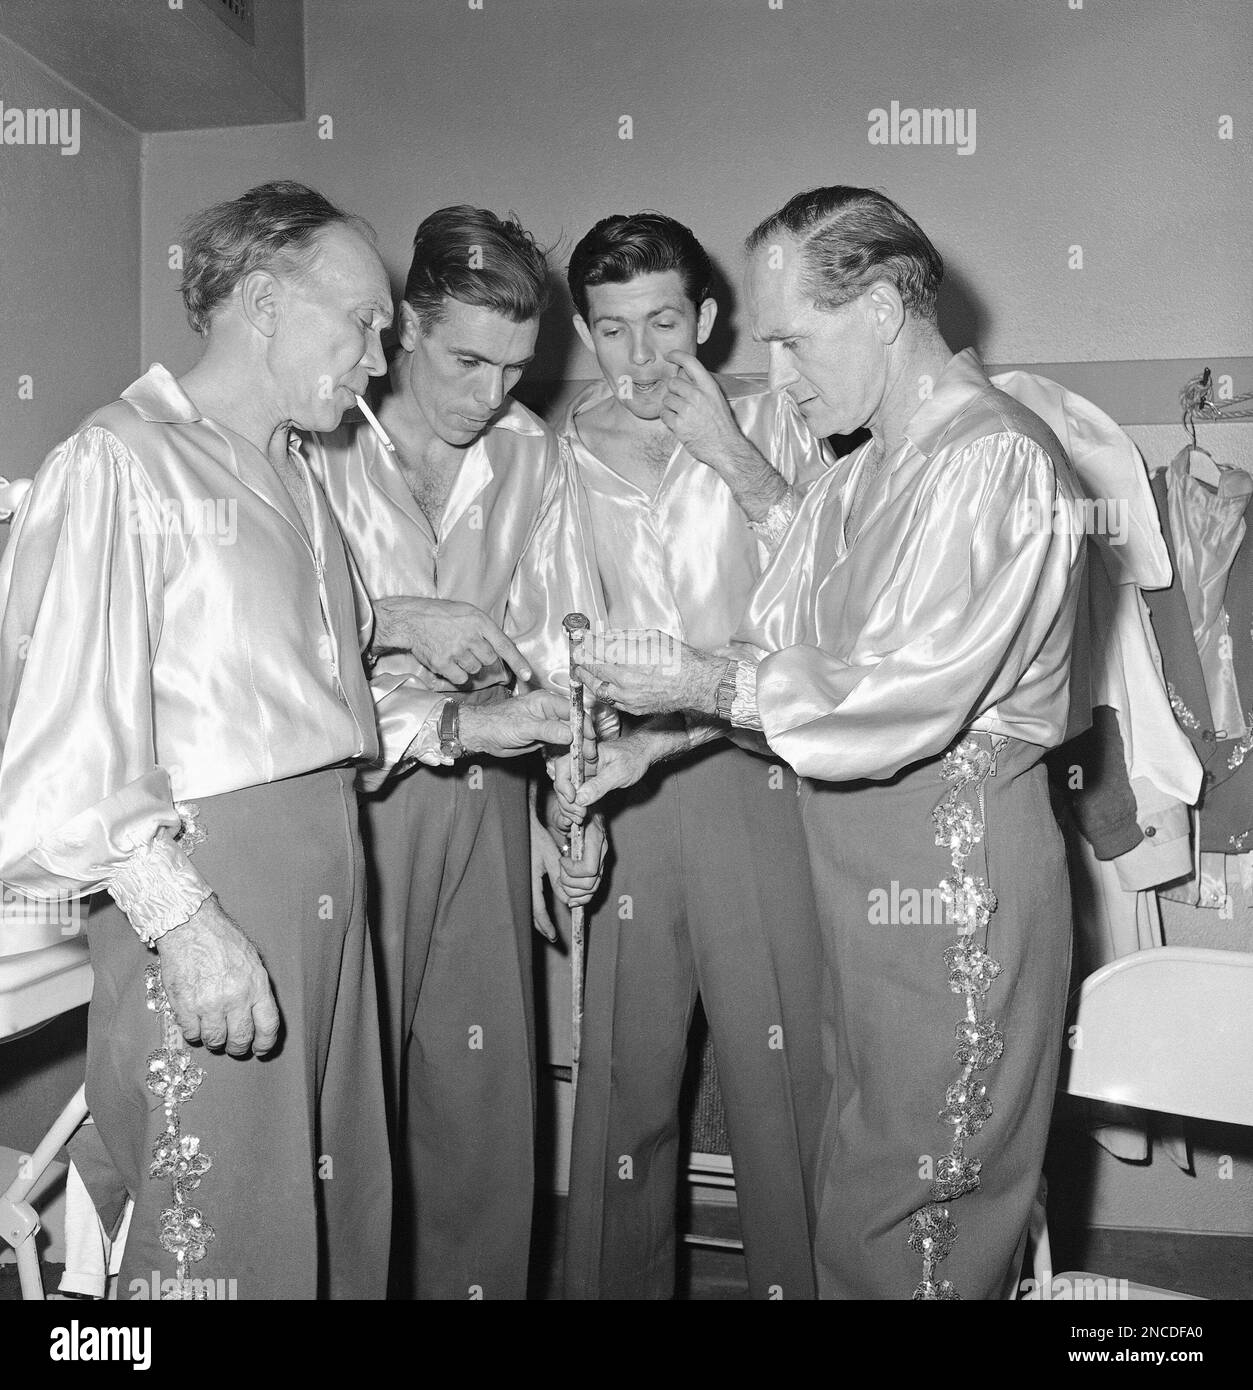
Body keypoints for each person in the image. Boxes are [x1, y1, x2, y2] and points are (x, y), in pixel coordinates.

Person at [0, 181, 574, 1300]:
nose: (376, 355)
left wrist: (472, 720)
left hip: (328, 881)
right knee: (220, 1235)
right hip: (216, 891)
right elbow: (63, 733)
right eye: (360, 322)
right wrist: (183, 919)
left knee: (335, 1216)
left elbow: (318, 695)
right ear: (262, 301)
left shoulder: (294, 476)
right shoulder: (122, 458)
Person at [575, 187, 1087, 1300]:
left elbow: (893, 691)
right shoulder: (872, 466)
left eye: (793, 340)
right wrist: (658, 740)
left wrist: (698, 682)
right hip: (859, 873)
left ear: (886, 306)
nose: (784, 375)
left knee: (917, 1206)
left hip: (950, 871)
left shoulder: (989, 458)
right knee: (863, 1175)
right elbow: (808, 597)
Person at [304, 206, 605, 1301]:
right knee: (348, 1107)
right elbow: (268, 637)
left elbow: (541, 649)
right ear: (403, 329)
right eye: (467, 359)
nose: (490, 395)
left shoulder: (531, 453)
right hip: (346, 797)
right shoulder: (317, 431)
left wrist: (536, 809)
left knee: (481, 1113)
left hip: (482, 795)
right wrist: (393, 614)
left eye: (516, 367)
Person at [550, 211, 832, 1300]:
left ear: (707, 320)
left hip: (756, 761)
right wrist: (560, 793)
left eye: (663, 322)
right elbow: (551, 637)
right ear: (585, 331)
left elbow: (836, 592)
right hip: (625, 778)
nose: (642, 356)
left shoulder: (782, 418)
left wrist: (729, 450)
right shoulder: (559, 449)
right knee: (622, 1078)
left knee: (781, 1076)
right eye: (613, 331)